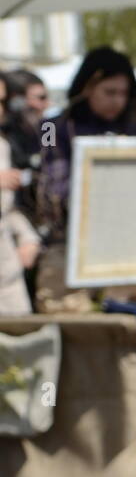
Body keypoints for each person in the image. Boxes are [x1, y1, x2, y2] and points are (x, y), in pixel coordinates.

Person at [36, 46, 136, 313]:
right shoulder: (52, 127)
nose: (117, 101)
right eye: (110, 92)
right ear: (87, 87)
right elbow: (51, 188)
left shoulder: (133, 129)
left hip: (126, 248)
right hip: (68, 248)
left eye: (123, 94)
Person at [0, 76, 39, 315]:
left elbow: (7, 210)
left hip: (7, 277)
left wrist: (28, 237)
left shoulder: (2, 146)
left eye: (2, 101)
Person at [2, 70, 49, 226]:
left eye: (46, 97)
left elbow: (51, 156)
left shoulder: (48, 127)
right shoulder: (6, 130)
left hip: (41, 208)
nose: (45, 104)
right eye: (40, 98)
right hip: (15, 209)